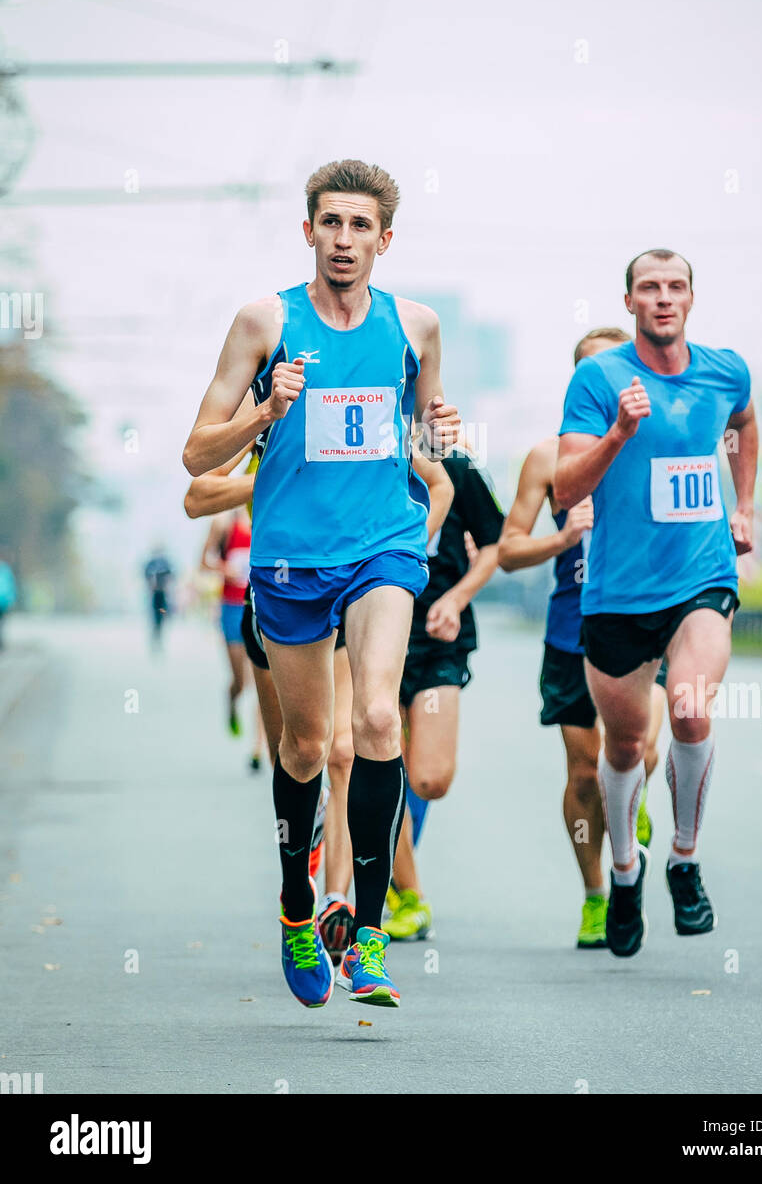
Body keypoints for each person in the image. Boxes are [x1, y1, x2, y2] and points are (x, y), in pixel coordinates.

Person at [183, 158, 461, 1009]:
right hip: (290, 559)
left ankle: (368, 933)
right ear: (308, 231)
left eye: (360, 226)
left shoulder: (415, 327)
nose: (344, 240)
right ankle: (297, 907)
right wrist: (266, 413)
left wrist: (441, 435)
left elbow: (425, 435)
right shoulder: (264, 322)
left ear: (385, 238)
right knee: (305, 747)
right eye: (329, 224)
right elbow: (197, 457)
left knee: (377, 718)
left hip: (383, 545)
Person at [555, 250, 757, 957]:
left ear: (691, 299)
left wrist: (746, 504)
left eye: (675, 288)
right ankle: (622, 870)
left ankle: (682, 857)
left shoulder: (724, 370)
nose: (662, 299)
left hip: (700, 578)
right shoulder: (598, 379)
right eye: (649, 288)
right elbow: (562, 490)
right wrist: (617, 434)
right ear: (629, 301)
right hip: (615, 595)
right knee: (627, 746)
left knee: (691, 709)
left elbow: (744, 421)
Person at [498, 328, 668, 949]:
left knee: (640, 750)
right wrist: (561, 540)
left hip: (645, 615)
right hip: (572, 627)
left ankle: (637, 795)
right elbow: (509, 551)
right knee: (580, 774)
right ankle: (597, 895)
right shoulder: (548, 459)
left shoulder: (655, 442)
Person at [383, 441, 504, 942]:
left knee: (428, 777)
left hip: (438, 639)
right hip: (372, 632)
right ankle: (404, 891)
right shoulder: (359, 458)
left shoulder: (456, 464)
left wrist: (456, 598)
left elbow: (495, 545)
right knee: (378, 759)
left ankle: (387, 856)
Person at [199, 505, 261, 754]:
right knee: (242, 681)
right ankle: (232, 700)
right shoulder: (224, 523)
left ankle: (258, 748)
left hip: (259, 605)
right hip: (232, 608)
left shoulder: (267, 512)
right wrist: (227, 569)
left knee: (263, 680)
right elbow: (203, 562)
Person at [143, 547, 174, 650]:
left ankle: (159, 630)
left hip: (163, 594)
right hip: (154, 594)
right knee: (155, 614)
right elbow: (145, 575)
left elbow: (171, 575)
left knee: (162, 612)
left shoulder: (165, 563)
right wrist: (150, 584)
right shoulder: (151, 563)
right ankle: (156, 632)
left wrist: (166, 584)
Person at [0, 552, 16, 649]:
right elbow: (11, 586)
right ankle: (1, 642)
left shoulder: (6, 570)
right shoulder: (6, 570)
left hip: (3, 602)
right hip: (4, 602)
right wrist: (11, 600)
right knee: (2, 622)